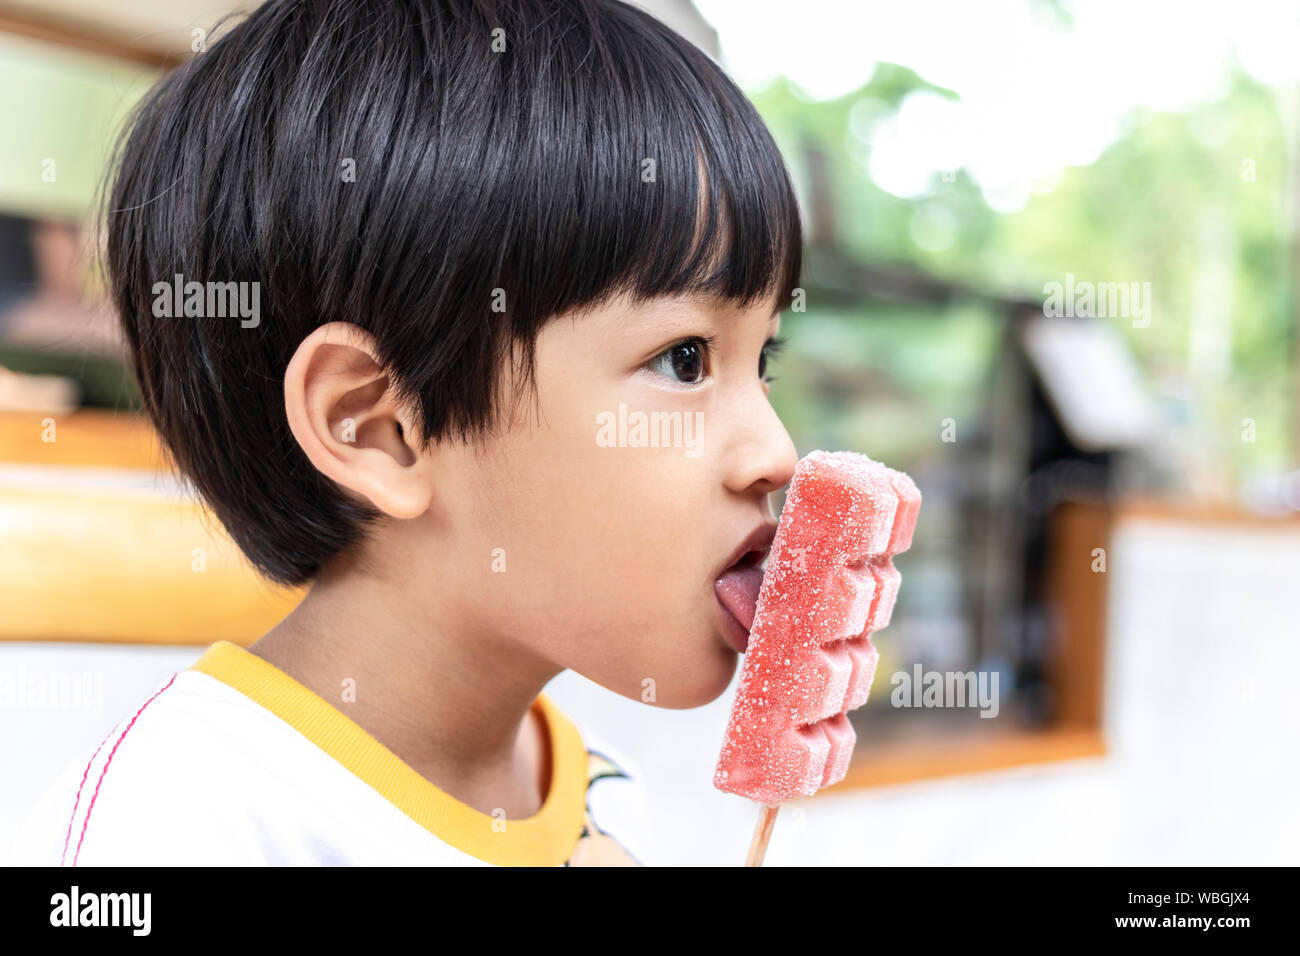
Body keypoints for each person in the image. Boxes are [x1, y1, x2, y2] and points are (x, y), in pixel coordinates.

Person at [5, 0, 800, 866]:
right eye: (685, 359)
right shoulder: (175, 822)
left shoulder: (600, 793)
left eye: (763, 362)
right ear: (379, 426)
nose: (777, 452)